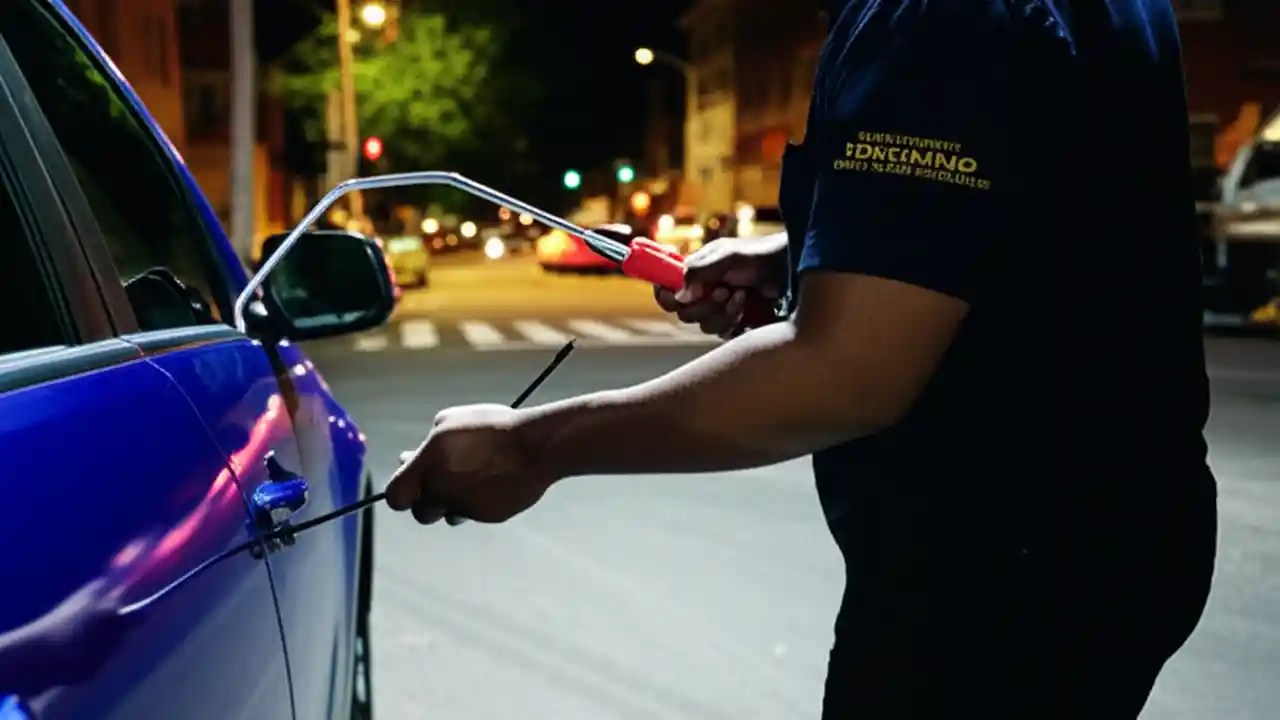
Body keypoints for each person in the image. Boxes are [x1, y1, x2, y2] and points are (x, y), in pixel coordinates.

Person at [388, 0, 1218, 716]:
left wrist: (533, 447)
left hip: (996, 589)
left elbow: (847, 375)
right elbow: (1033, 210)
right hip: (1118, 544)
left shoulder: (931, 16)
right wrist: (812, 257)